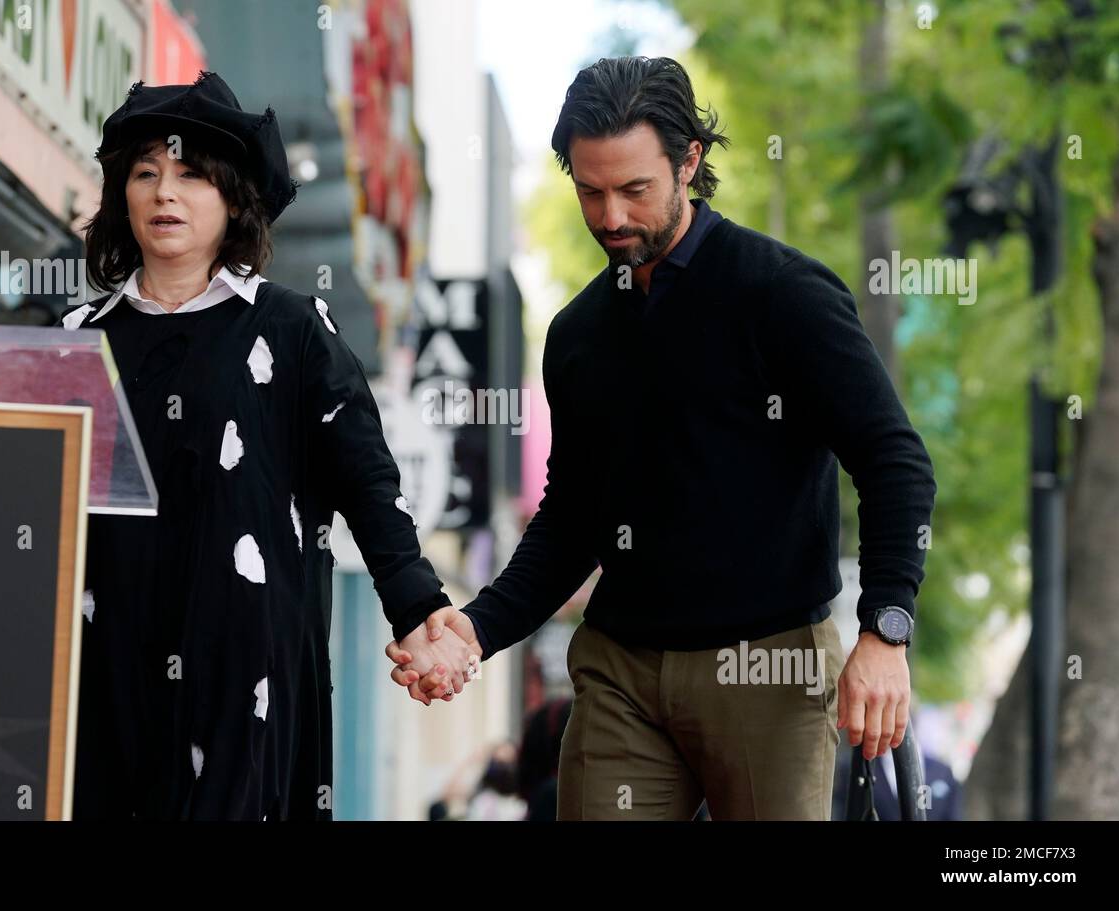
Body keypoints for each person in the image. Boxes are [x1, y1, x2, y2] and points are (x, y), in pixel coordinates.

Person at [388, 56, 937, 820]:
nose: (610, 215)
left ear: (689, 162)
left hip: (767, 665)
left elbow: (894, 460)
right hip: (621, 669)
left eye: (634, 189)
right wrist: (474, 629)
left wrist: (885, 628)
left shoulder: (783, 295)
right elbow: (573, 520)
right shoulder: (578, 334)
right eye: (589, 190)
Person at [58, 72, 477, 820]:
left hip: (244, 659)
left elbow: (369, 485)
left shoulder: (294, 330)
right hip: (102, 665)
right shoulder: (76, 340)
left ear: (233, 198)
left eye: (190, 175)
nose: (164, 194)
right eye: (146, 173)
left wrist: (420, 611)